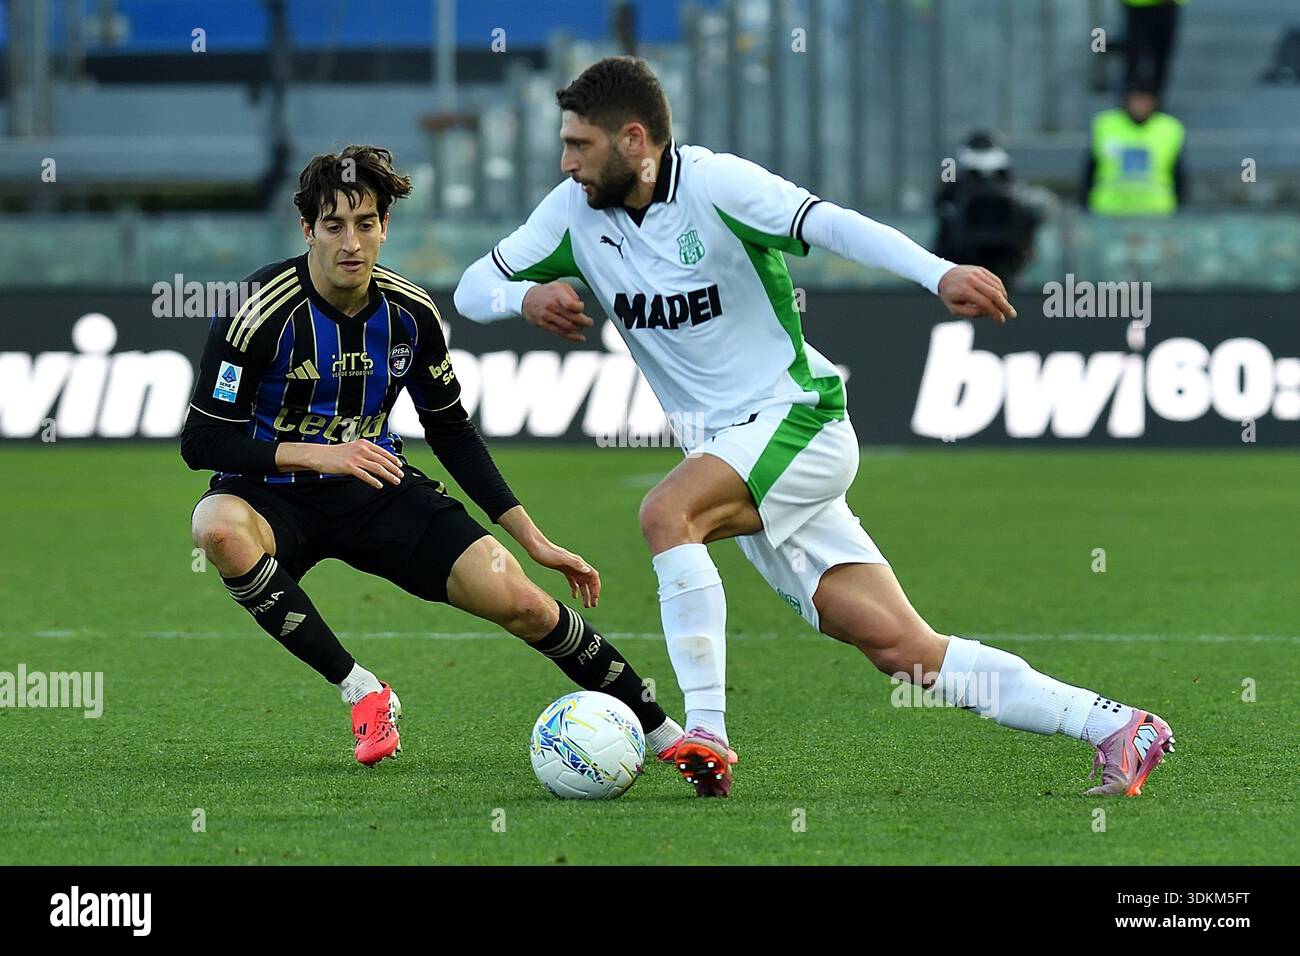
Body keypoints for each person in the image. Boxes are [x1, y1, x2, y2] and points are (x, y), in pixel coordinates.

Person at [455, 57, 1175, 798]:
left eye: (579, 144)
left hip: (796, 419)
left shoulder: (716, 185)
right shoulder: (574, 211)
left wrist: (938, 274)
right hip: (733, 452)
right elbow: (476, 285)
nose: (566, 161)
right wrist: (526, 297)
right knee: (903, 649)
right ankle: (1118, 726)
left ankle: (705, 731)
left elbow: (829, 223)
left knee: (667, 514)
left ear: (634, 140)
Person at [181, 144, 683, 768]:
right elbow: (201, 442)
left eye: (366, 225)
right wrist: (319, 456)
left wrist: (535, 540)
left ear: (385, 228)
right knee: (216, 530)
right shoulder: (256, 310)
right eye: (334, 226)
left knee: (522, 601)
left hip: (375, 487)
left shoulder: (411, 313)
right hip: (268, 495)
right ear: (307, 228)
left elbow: (451, 431)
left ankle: (666, 735)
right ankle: (363, 691)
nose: (351, 244)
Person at [934, 130, 1045, 287]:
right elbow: (942, 215)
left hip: (1006, 264)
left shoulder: (1012, 185)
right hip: (961, 264)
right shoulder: (954, 187)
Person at [1083, 83, 1186, 215]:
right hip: (1109, 209)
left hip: (1156, 211)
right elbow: (1090, 168)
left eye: (1145, 100)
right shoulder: (1105, 124)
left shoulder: (1169, 128)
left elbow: (1179, 173)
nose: (1140, 105)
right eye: (1136, 100)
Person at [1121, 0, 1185, 98]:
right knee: (1135, 58)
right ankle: (1130, 99)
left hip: (1169, 4)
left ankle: (1155, 101)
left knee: (1162, 58)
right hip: (1139, 5)